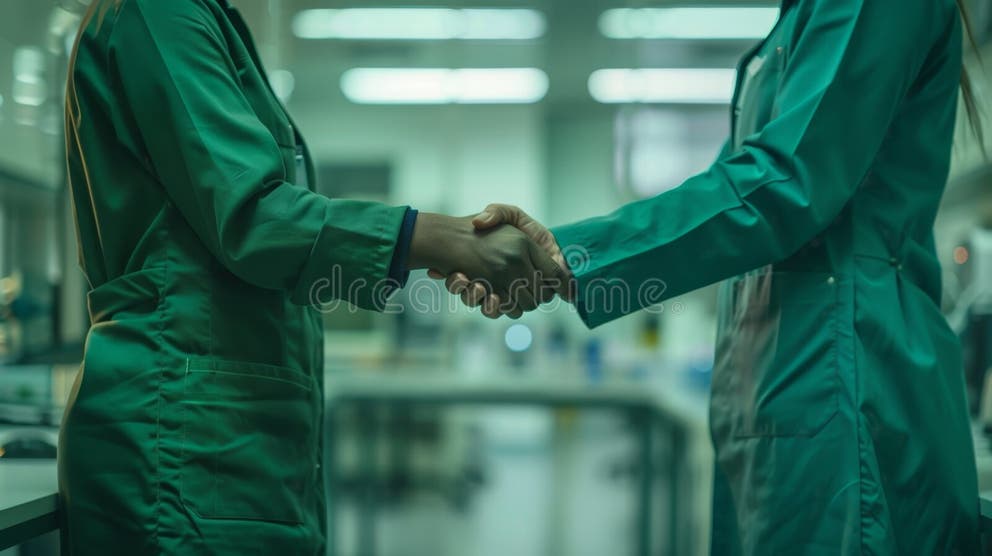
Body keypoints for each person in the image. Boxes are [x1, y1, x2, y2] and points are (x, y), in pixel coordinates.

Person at [439, 0, 986, 552]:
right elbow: (733, 186)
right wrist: (560, 256)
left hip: (848, 379)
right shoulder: (799, 18)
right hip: (784, 381)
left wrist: (564, 255)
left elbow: (782, 183)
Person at [59, 0, 565, 554]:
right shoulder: (160, 12)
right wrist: (446, 238)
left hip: (227, 438)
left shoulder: (209, 20)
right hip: (180, 436)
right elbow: (252, 217)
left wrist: (462, 245)